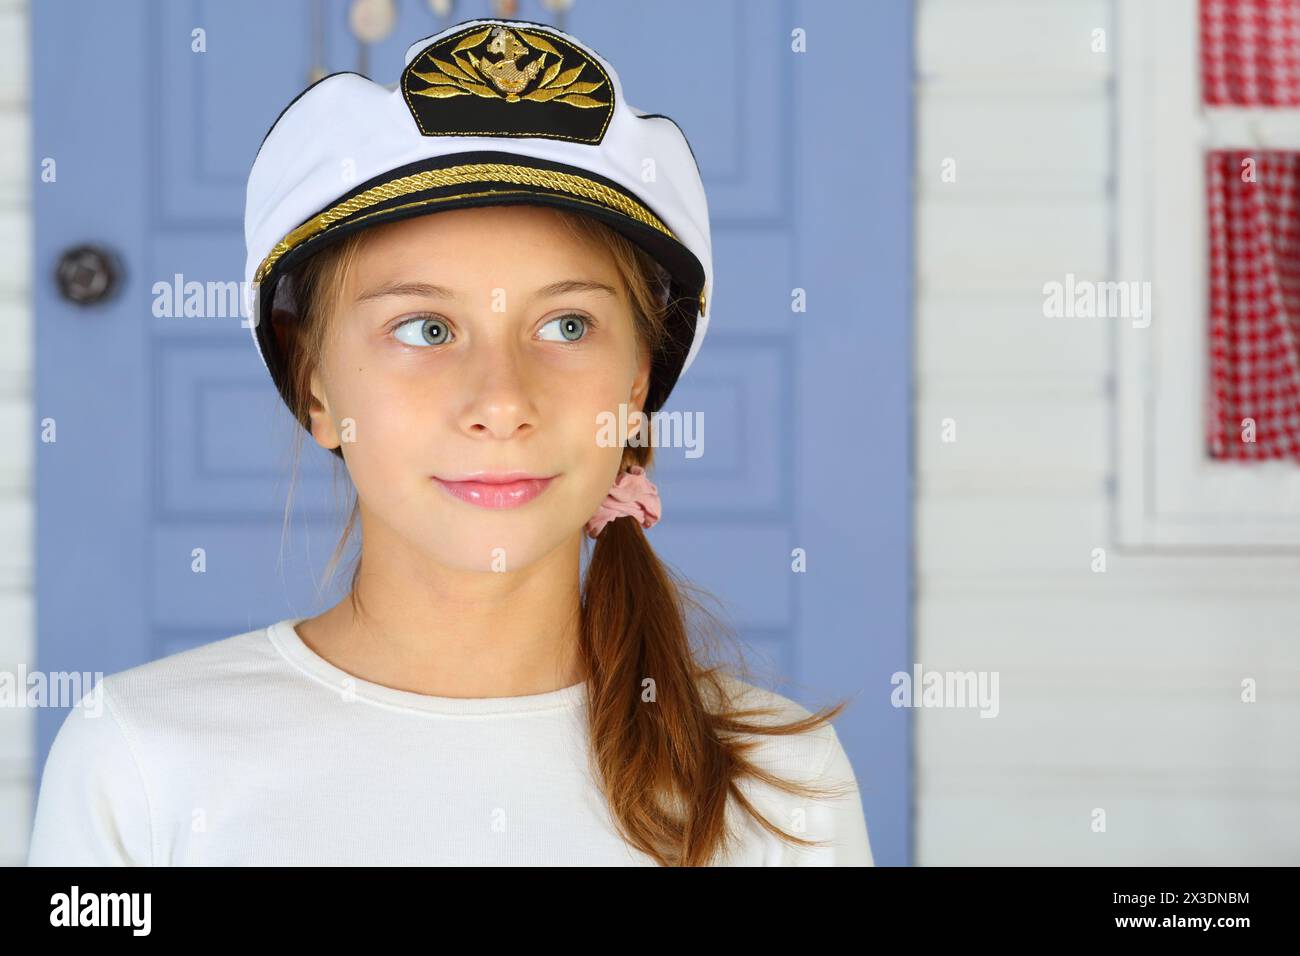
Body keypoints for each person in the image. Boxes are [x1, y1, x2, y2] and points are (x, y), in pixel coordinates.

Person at [26, 17, 873, 866]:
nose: (500, 402)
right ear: (315, 385)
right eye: (426, 328)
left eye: (567, 323)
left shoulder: (779, 783)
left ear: (637, 387)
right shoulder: (140, 761)